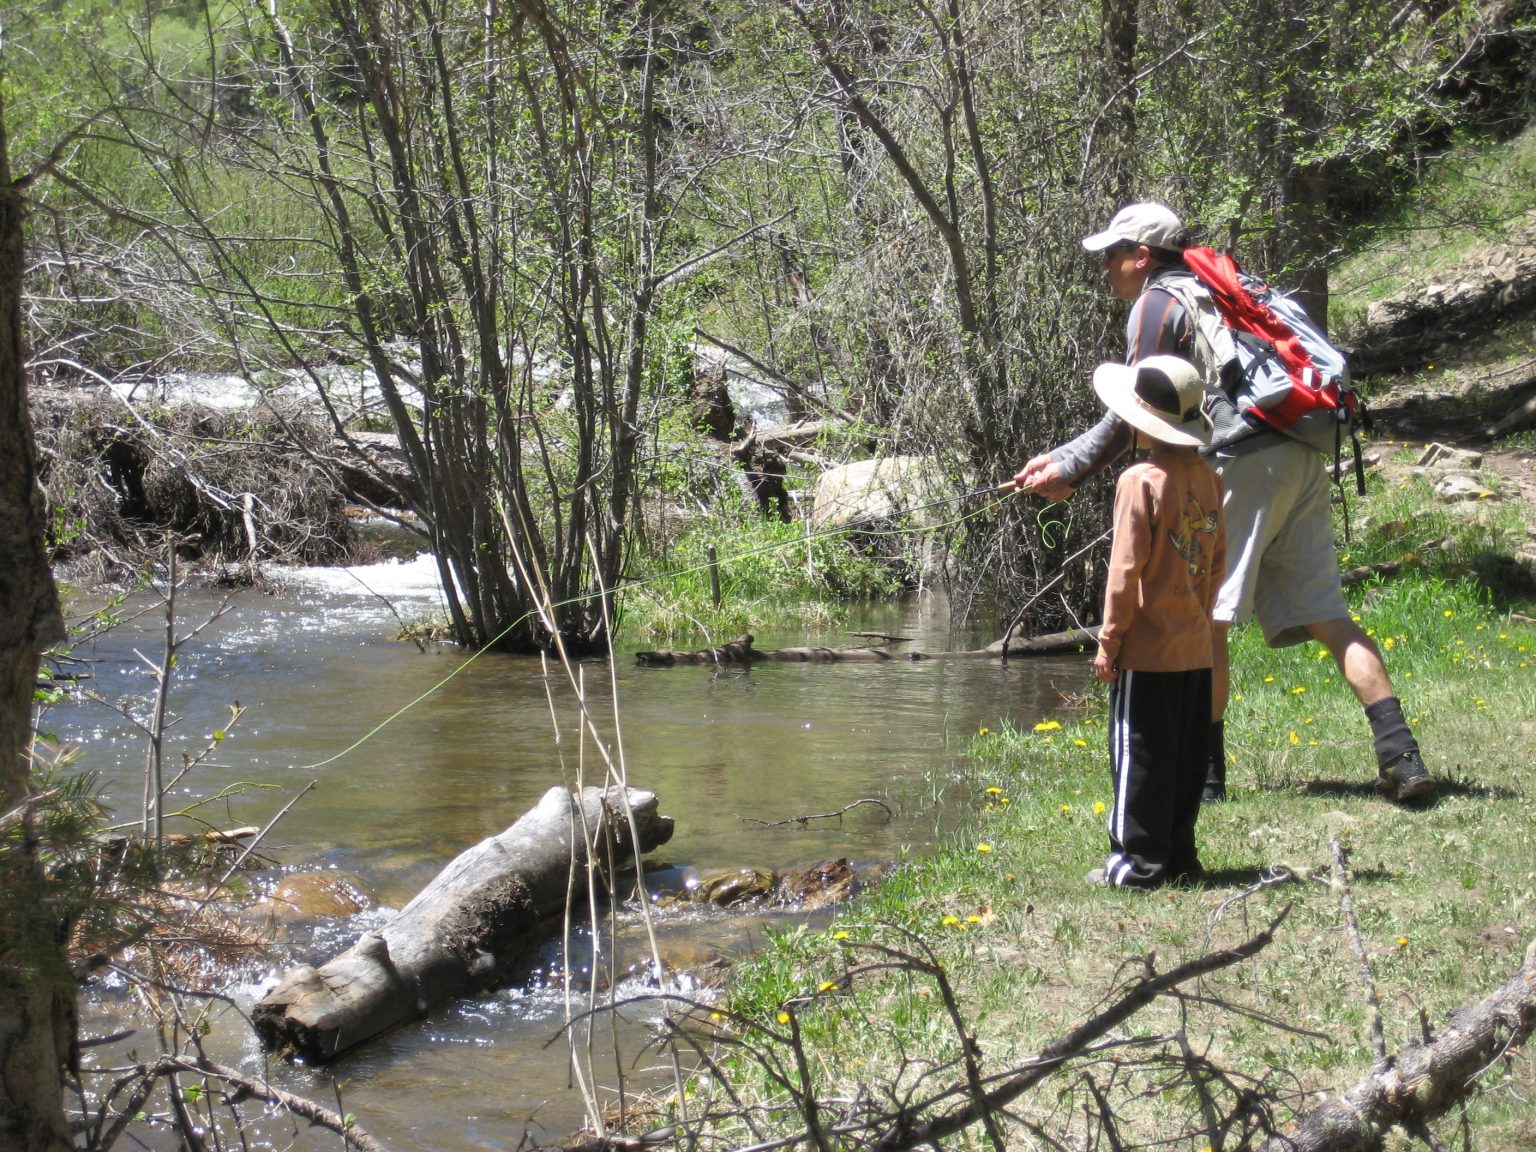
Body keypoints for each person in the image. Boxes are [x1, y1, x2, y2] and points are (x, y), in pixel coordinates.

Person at [1014, 202, 1435, 805]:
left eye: (1112, 255)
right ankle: (1402, 757)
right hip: (1298, 452)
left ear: (1142, 256)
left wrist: (1071, 467)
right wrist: (1064, 458)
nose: (1105, 267)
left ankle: (1205, 781)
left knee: (1205, 617)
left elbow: (1135, 410)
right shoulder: (1218, 290)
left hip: (1244, 461)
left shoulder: (1156, 305)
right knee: (1326, 615)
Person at [1086, 354, 1224, 888]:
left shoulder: (1138, 481)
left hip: (1147, 650)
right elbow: (1217, 561)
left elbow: (1125, 570)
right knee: (1186, 754)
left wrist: (1110, 641)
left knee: (1138, 752)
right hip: (1193, 647)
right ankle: (1180, 854)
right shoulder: (1208, 479)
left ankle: (1136, 863)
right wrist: (1196, 614)